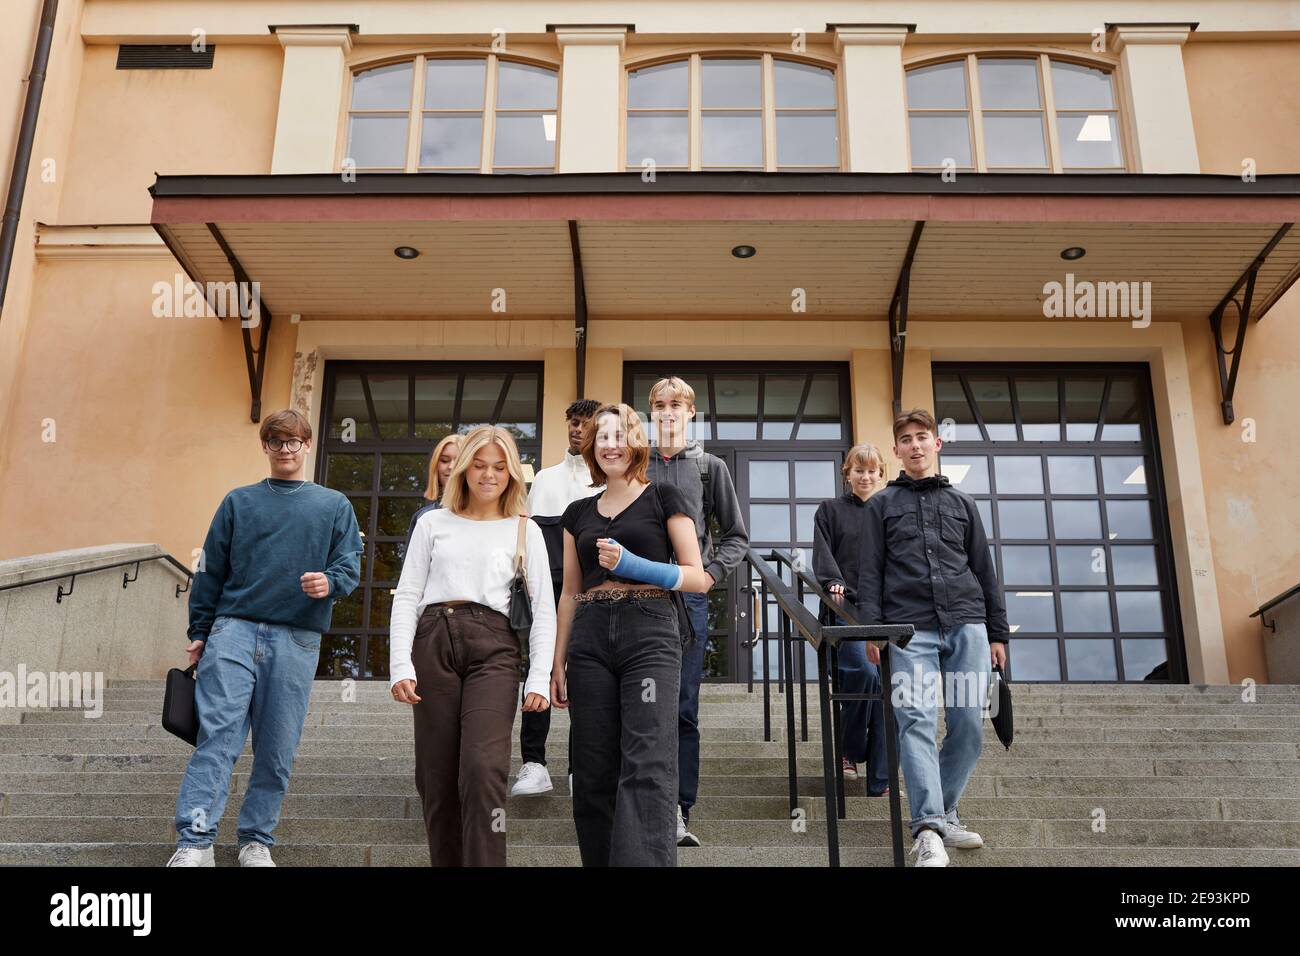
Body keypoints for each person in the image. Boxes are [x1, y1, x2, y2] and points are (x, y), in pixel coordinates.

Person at [167, 409, 363, 867]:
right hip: (232, 631)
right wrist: (200, 632)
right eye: (277, 441)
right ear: (266, 447)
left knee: (277, 747)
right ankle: (195, 842)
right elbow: (210, 569)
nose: (286, 449)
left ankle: (256, 841)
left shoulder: (334, 505)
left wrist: (330, 583)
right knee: (217, 740)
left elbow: (349, 565)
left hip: (297, 637)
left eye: (294, 441)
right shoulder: (239, 501)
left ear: (308, 445)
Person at [551, 403, 713, 866]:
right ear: (591, 447)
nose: (611, 444)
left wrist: (633, 566)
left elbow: (697, 577)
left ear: (637, 441)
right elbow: (568, 593)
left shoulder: (664, 497)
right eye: (602, 437)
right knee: (592, 766)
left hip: (650, 629)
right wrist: (556, 662)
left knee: (647, 762)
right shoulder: (575, 512)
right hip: (590, 635)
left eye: (620, 434)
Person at [389, 426, 555, 867]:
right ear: (463, 470)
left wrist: (538, 676)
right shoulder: (432, 523)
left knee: (483, 769)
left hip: (494, 648)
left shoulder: (526, 529)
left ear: (512, 474)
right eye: (479, 466)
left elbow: (544, 609)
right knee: (436, 777)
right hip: (432, 640)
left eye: (500, 467)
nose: (489, 475)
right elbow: (407, 594)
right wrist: (400, 665)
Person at [856, 408, 1009, 867]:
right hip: (907, 632)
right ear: (897, 450)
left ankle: (943, 812)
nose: (916, 445)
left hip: (967, 624)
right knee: (916, 721)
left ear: (937, 445)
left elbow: (984, 568)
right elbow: (871, 572)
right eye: (906, 439)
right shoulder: (881, 505)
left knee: (967, 725)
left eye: (923, 437)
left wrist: (998, 632)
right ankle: (927, 830)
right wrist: (873, 630)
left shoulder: (964, 504)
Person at [645, 376, 748, 847]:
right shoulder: (630, 462)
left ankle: (679, 810)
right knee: (640, 708)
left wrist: (707, 574)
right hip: (634, 597)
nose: (668, 412)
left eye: (676, 405)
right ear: (651, 412)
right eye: (660, 405)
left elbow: (736, 536)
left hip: (687, 599)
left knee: (682, 707)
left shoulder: (709, 468)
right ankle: (638, 805)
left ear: (691, 413)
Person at [511, 399, 602, 797]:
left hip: (591, 596)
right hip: (544, 593)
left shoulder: (607, 482)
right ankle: (534, 763)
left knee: (586, 678)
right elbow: (527, 541)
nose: (576, 430)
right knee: (540, 671)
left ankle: (581, 769)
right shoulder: (545, 479)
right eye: (572, 423)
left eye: (585, 424)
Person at [812, 442, 889, 795]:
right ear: (847, 474)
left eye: (872, 471)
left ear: (881, 475)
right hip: (847, 611)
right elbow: (823, 554)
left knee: (891, 687)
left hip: (887, 612)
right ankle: (852, 750)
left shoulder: (890, 512)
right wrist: (833, 581)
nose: (866, 476)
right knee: (863, 672)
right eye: (859, 470)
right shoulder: (830, 511)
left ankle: (880, 777)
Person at [404, 433, 463, 550]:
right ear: (436, 466)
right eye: (445, 460)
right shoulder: (423, 518)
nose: (451, 466)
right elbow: (413, 567)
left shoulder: (490, 516)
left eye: (459, 460)